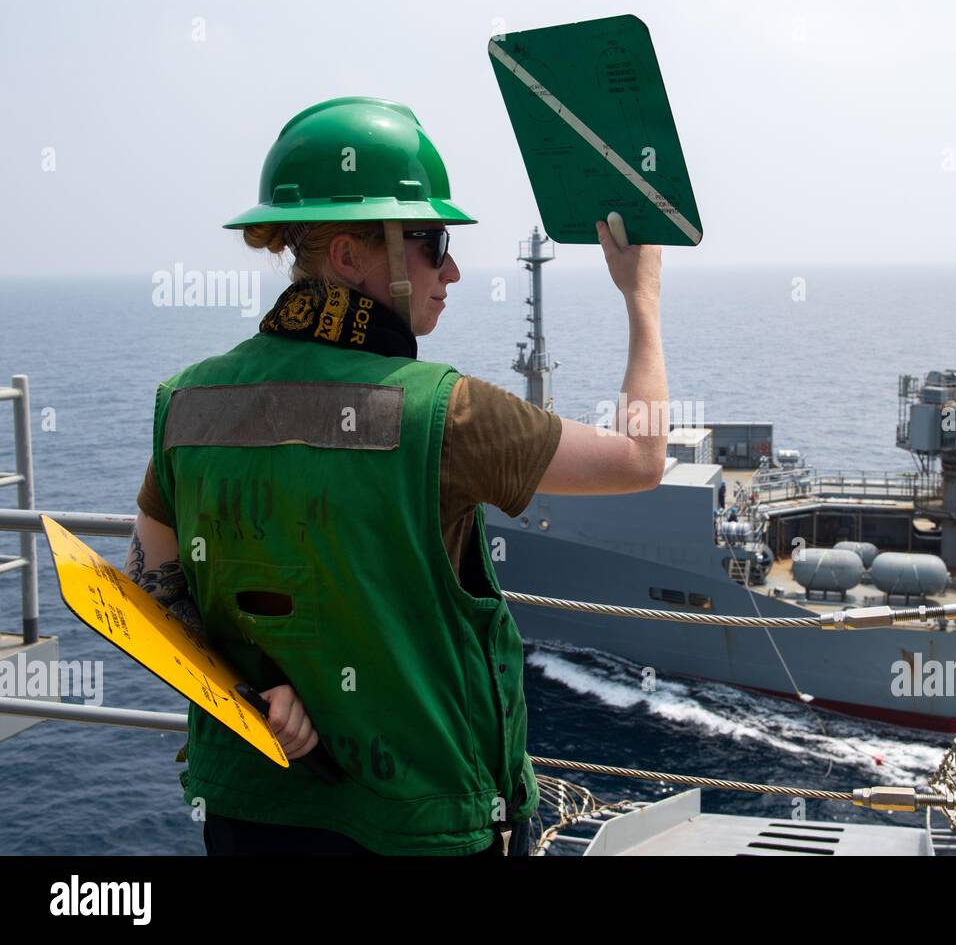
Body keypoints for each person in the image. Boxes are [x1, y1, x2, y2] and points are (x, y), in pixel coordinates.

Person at [124, 97, 666, 856]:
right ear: (348, 256)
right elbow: (640, 458)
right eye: (429, 241)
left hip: (250, 815)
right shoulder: (449, 415)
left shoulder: (187, 404)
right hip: (419, 826)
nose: (450, 269)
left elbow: (150, 592)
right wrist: (641, 299)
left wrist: (255, 697)